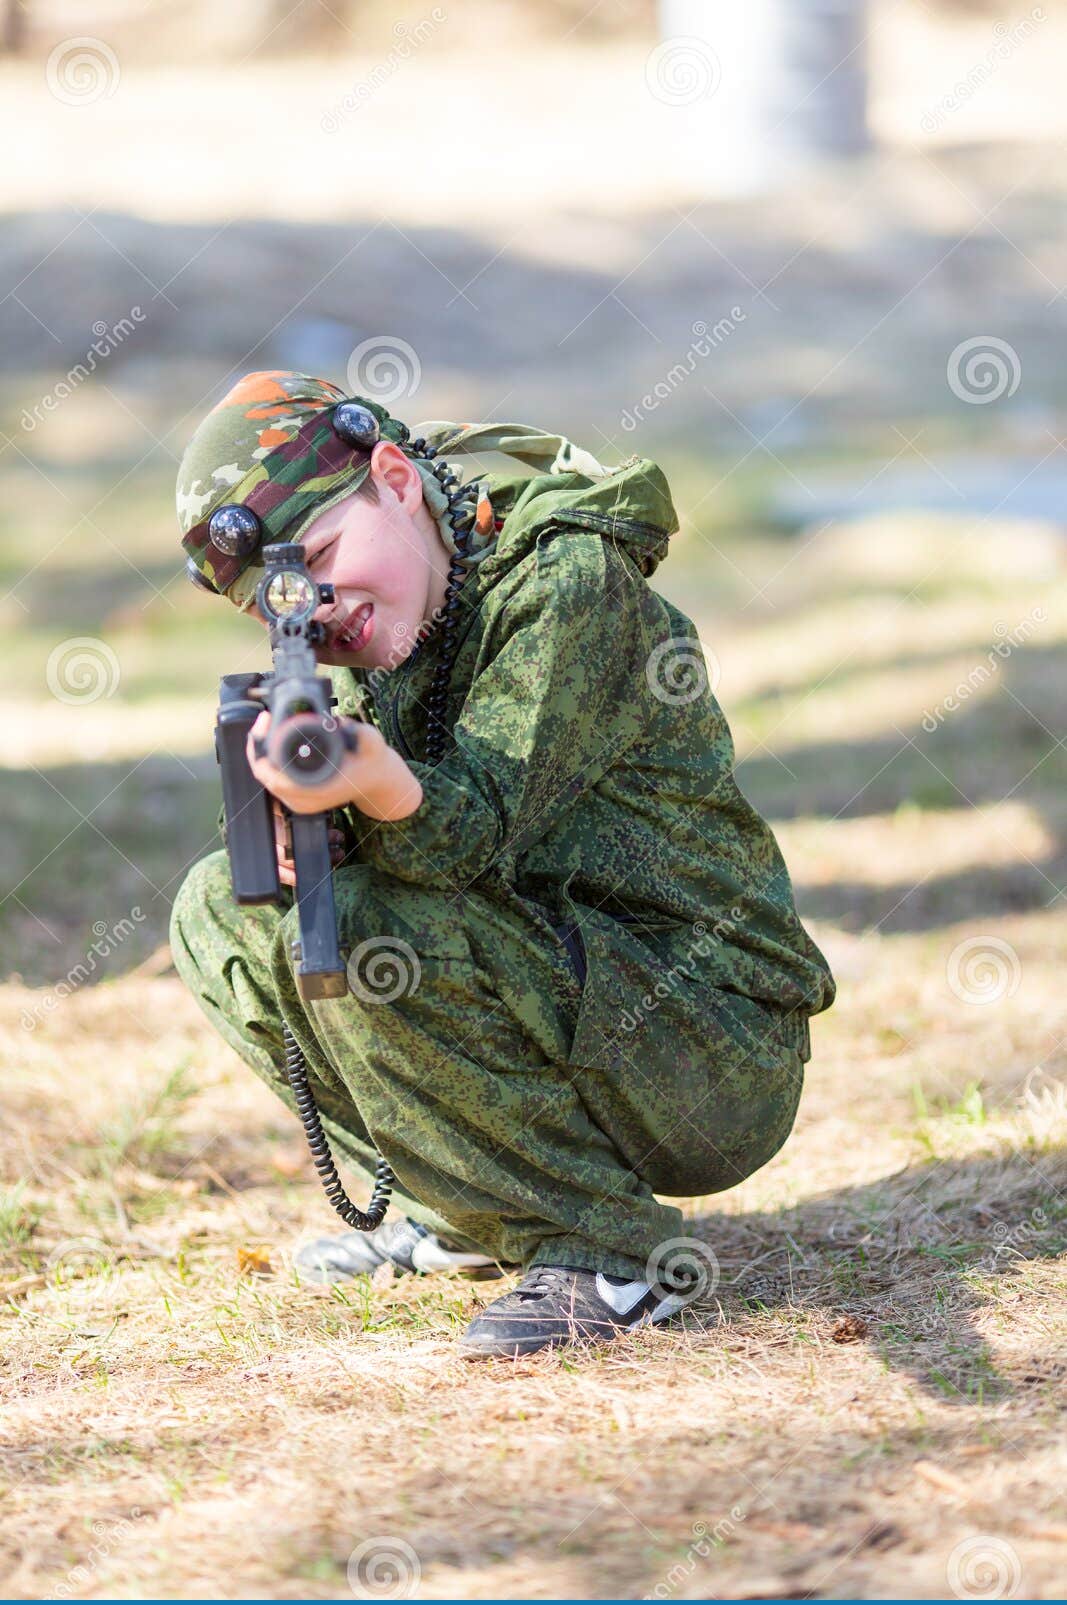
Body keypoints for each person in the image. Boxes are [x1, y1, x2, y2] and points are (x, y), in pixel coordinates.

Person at [169, 370, 835, 1360]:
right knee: (222, 905)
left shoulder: (568, 586)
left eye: (324, 558)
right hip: (584, 1001)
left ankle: (610, 1251)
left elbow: (469, 831)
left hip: (706, 1042)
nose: (323, 609)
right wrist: (313, 832)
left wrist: (376, 783)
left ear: (395, 478)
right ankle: (470, 1207)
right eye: (284, 604)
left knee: (366, 928)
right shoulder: (400, 640)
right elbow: (438, 857)